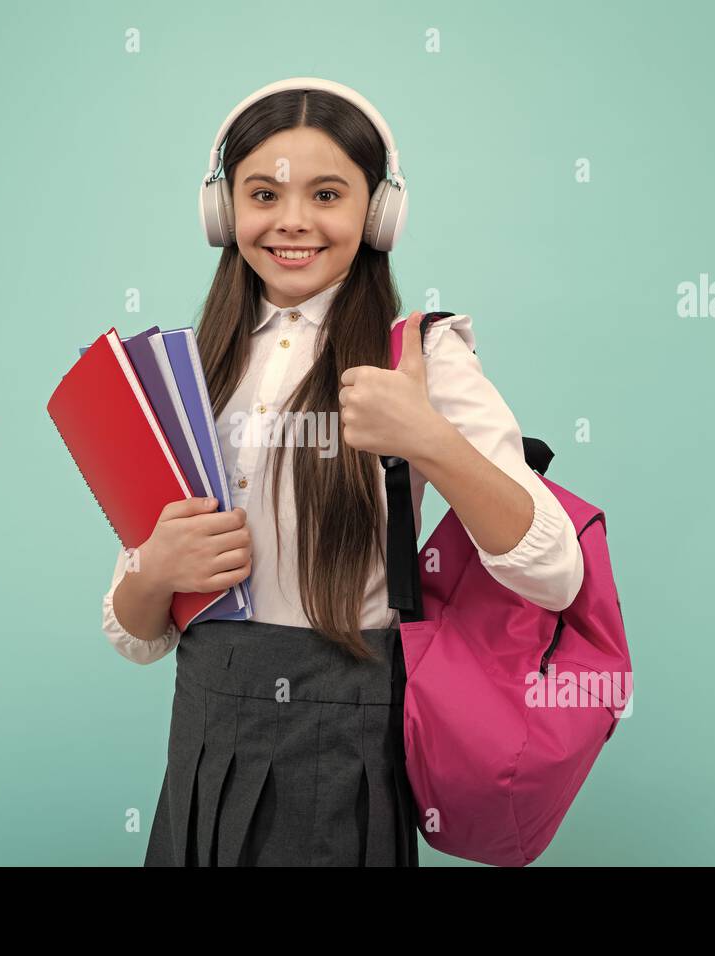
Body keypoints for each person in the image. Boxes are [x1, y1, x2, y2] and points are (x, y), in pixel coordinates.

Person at [102, 78, 584, 866]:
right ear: (225, 212)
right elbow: (135, 632)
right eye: (263, 193)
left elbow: (555, 574)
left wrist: (429, 439)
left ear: (378, 212)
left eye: (327, 194)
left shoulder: (424, 358)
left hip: (347, 741)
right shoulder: (189, 371)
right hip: (203, 744)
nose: (292, 220)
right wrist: (156, 570)